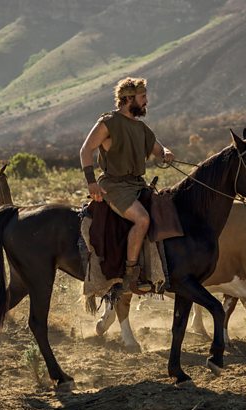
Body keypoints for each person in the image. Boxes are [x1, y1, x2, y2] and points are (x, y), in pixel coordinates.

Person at [79, 77, 174, 292]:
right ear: (128, 98)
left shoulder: (141, 128)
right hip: (114, 186)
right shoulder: (108, 122)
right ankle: (131, 274)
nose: (146, 101)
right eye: (142, 97)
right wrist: (91, 182)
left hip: (137, 184)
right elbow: (86, 150)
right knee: (142, 220)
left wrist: (166, 153)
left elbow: (159, 149)